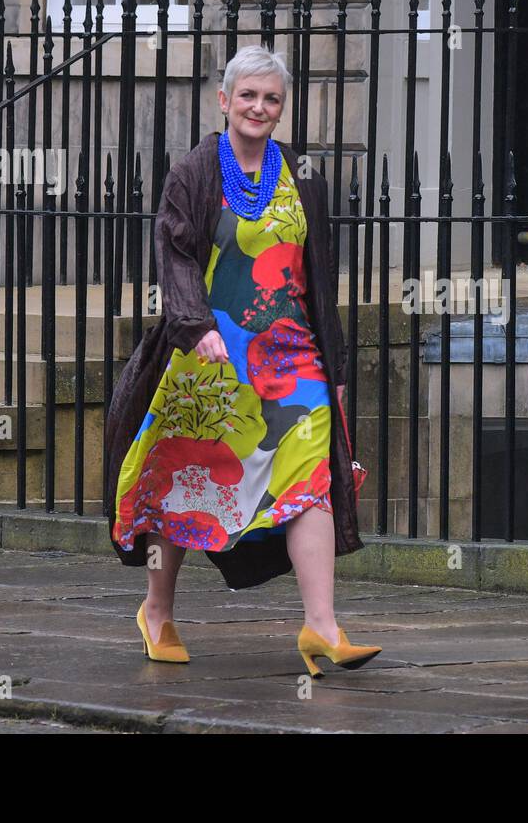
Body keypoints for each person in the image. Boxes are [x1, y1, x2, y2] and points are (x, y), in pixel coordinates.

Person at [103, 45, 380, 679]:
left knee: (310, 476)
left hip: (290, 358)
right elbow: (174, 256)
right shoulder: (195, 172)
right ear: (224, 101)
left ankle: (321, 628)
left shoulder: (302, 179)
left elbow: (320, 285)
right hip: (210, 359)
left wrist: (335, 375)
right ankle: (157, 609)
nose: (260, 107)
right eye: (248, 95)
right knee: (178, 488)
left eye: (272, 98)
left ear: (283, 108)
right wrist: (194, 326)